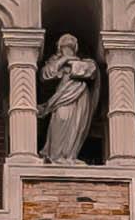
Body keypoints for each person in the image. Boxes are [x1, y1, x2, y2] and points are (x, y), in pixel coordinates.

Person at [38, 31, 101, 162]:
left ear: (76, 47)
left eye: (71, 43)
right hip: (62, 96)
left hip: (80, 94)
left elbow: (91, 71)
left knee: (77, 124)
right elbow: (46, 74)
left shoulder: (86, 61)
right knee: (61, 119)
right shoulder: (54, 61)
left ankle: (70, 156)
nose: (68, 42)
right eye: (64, 43)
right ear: (59, 47)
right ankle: (56, 155)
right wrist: (64, 60)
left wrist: (74, 64)